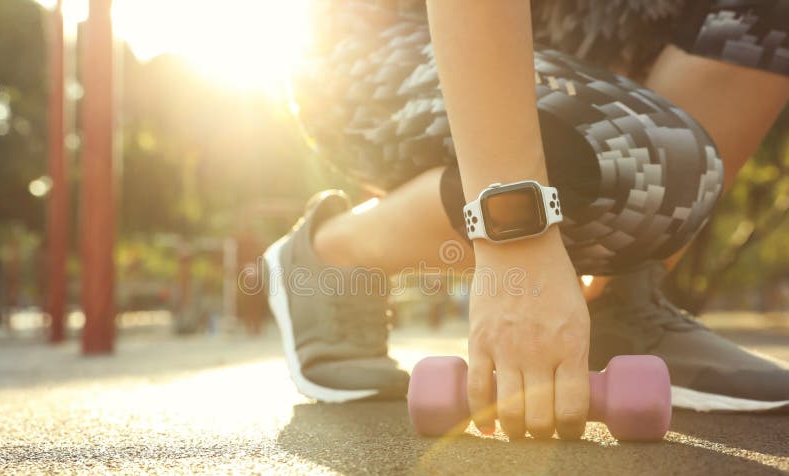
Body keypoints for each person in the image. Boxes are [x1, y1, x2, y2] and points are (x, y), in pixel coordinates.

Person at [265, 0, 789, 437]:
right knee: (631, 161)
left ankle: (617, 301)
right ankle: (335, 252)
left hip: (586, 69)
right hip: (375, 45)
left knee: (675, 152)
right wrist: (516, 242)